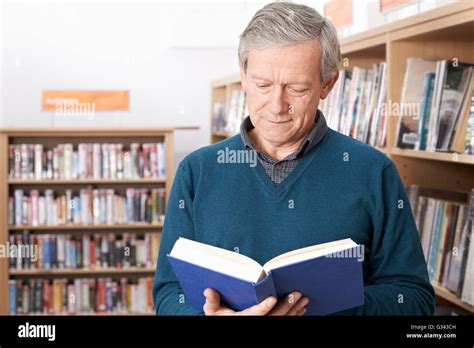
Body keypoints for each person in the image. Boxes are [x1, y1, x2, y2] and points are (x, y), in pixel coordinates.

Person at [153, 1, 435, 316]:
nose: (276, 105)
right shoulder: (197, 171)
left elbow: (413, 298)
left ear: (328, 83)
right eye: (262, 85)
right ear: (243, 75)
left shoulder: (372, 170)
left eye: (297, 88)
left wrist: (323, 309)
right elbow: (169, 293)